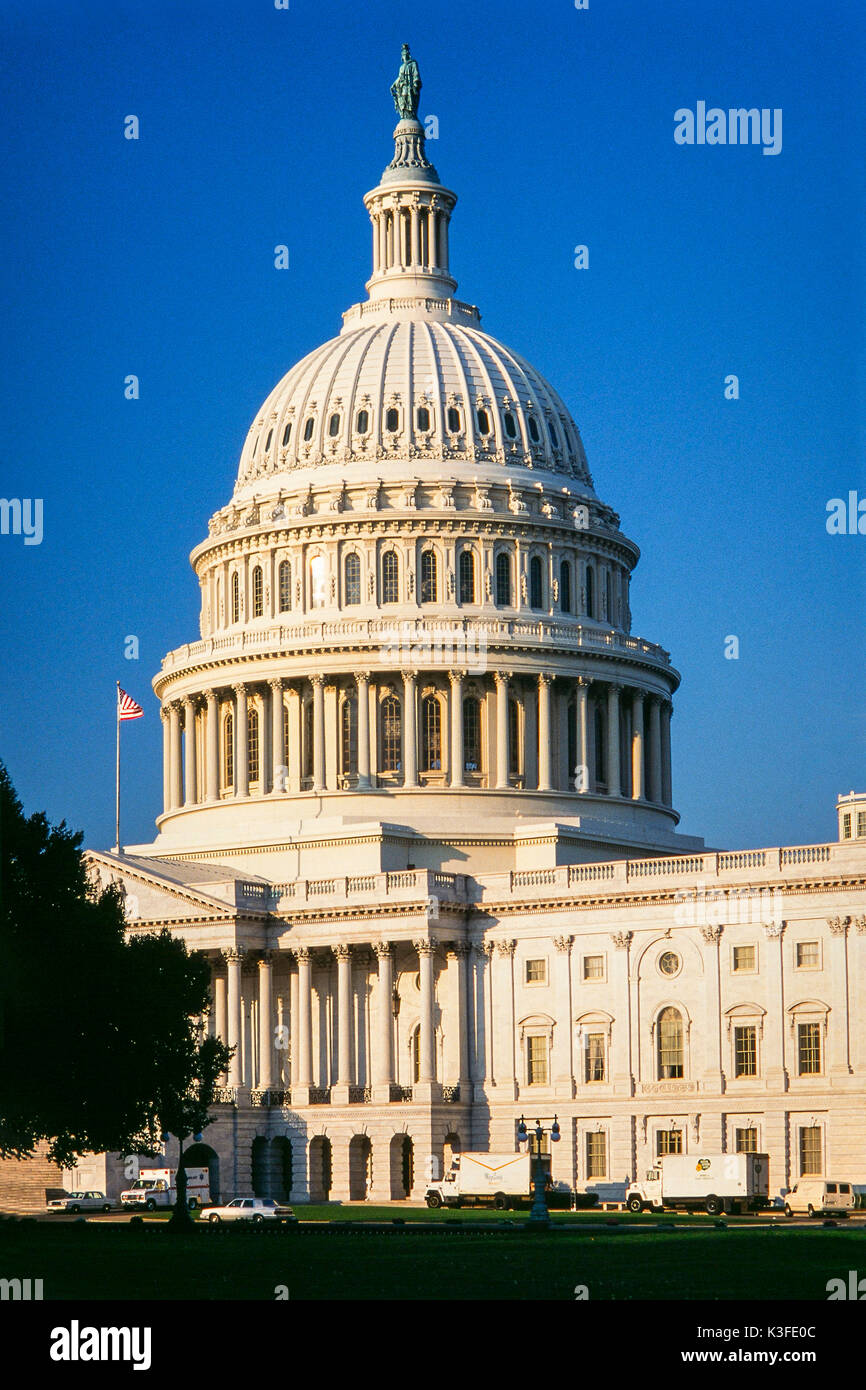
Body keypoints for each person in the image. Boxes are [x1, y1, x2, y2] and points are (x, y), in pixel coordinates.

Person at [391, 43, 421, 119]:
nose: (404, 56)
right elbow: (400, 77)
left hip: (410, 86)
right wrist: (393, 85)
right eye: (403, 54)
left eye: (406, 53)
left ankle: (411, 115)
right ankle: (405, 115)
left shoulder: (413, 63)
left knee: (410, 100)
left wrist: (416, 82)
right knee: (403, 100)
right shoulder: (401, 67)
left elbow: (415, 73)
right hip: (403, 86)